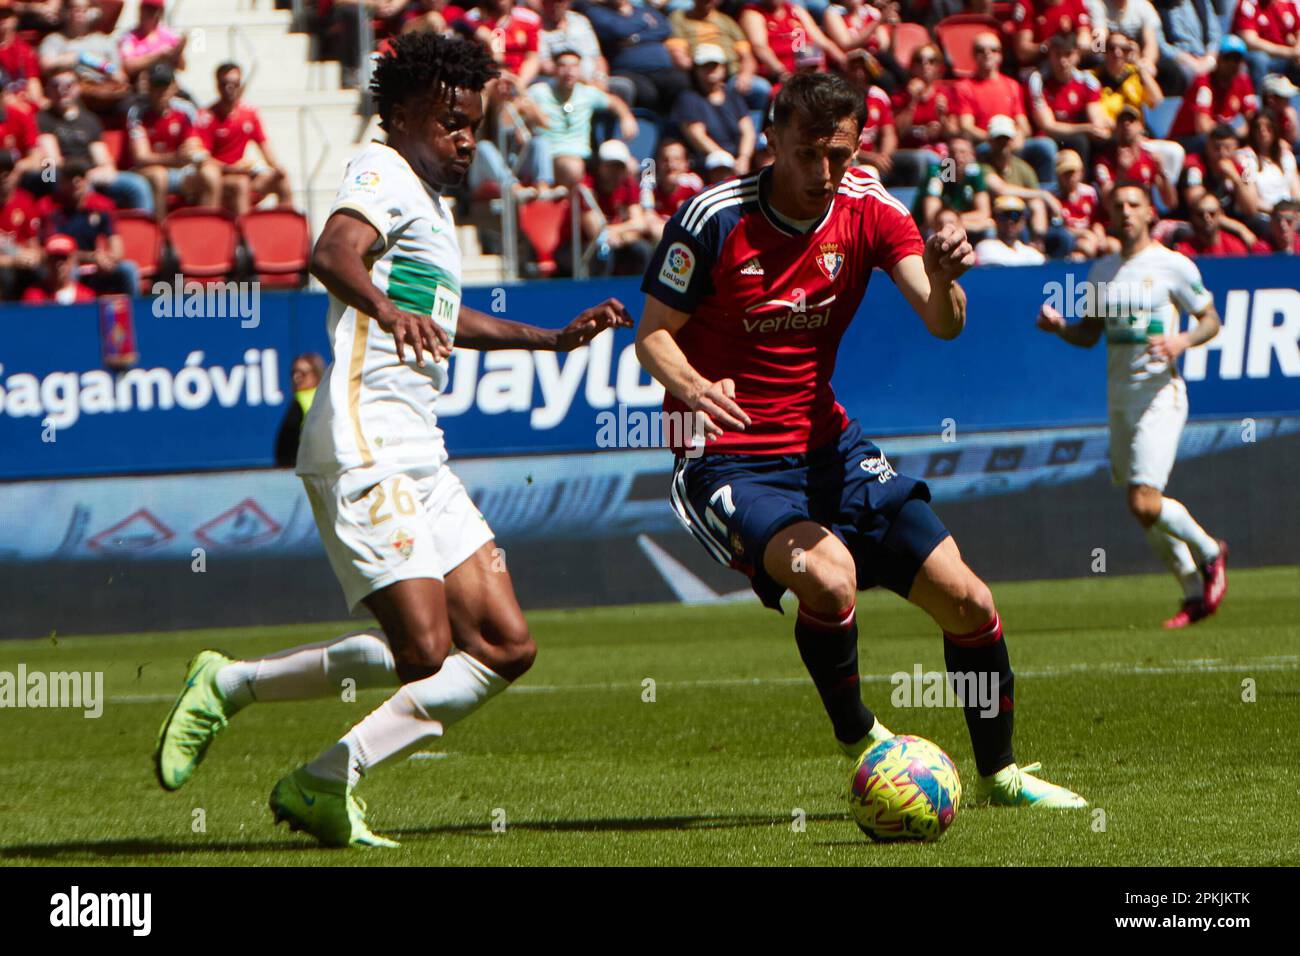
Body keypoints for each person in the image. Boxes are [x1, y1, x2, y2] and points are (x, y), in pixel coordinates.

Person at [153, 33, 632, 848]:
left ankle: (323, 781)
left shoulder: (432, 208)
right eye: (452, 122)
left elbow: (446, 319)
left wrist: (547, 340)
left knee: (505, 647)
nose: (466, 140)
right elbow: (332, 254)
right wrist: (382, 309)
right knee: (425, 650)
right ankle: (231, 683)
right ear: (406, 114)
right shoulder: (381, 171)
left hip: (420, 448)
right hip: (362, 437)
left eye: (475, 126)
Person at [636, 71, 1088, 809]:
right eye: (809, 154)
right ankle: (859, 737)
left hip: (830, 449)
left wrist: (945, 281)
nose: (823, 173)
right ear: (774, 139)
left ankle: (1001, 775)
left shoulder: (870, 208)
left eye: (839, 155)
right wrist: (693, 388)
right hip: (726, 457)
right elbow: (652, 336)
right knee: (831, 576)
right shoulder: (712, 219)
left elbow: (944, 323)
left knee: (969, 600)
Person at [1037, 181, 1227, 628]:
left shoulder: (1172, 266)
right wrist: (1059, 327)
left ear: (1149, 215)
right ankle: (1193, 593)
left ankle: (1210, 552)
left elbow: (1211, 320)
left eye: (1134, 204)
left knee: (1145, 502)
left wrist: (1182, 339)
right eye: (1117, 205)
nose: (1125, 211)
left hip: (1160, 394)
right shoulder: (1102, 270)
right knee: (1140, 505)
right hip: (1119, 398)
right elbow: (1088, 335)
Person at [35, 68, 155, 213]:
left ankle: (142, 231)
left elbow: (103, 159)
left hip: (91, 174)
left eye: (68, 85)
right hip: (61, 175)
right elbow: (51, 159)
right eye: (56, 85)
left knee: (137, 184)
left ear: (78, 88)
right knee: (51, 177)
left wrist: (95, 173)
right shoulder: (43, 118)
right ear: (47, 89)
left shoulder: (90, 120)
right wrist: (77, 178)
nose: (62, 90)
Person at [526, 48, 636, 190]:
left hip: (584, 155)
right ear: (554, 69)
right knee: (573, 168)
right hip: (553, 155)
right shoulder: (539, 91)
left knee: (628, 166)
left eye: (574, 66)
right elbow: (519, 106)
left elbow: (614, 101)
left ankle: (617, 209)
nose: (569, 71)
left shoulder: (586, 93)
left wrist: (626, 117)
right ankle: (571, 207)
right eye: (563, 66)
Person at [954, 32, 1057, 182]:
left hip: (1012, 142)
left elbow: (1024, 126)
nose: (987, 54)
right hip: (986, 144)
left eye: (993, 50)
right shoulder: (964, 87)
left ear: (1000, 55)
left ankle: (1046, 192)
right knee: (983, 150)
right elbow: (966, 127)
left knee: (1046, 146)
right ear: (974, 55)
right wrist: (994, 141)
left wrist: (1018, 138)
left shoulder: (1012, 85)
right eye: (981, 50)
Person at [198, 62, 292, 216]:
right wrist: (230, 168)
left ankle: (287, 231)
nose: (230, 88)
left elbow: (264, 145)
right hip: (221, 176)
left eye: (235, 83)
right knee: (240, 184)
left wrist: (276, 167)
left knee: (281, 180)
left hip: (242, 172)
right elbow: (203, 158)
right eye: (225, 83)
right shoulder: (206, 116)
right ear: (218, 85)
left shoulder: (249, 113)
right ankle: (245, 235)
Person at [35, 157, 140, 295]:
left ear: (87, 180)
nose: (76, 182)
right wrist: (91, 257)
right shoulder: (49, 206)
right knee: (68, 271)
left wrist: (108, 259)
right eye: (70, 177)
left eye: (81, 177)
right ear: (61, 182)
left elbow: (116, 246)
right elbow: (49, 250)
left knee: (128, 270)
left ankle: (135, 313)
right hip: (61, 263)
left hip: (95, 265)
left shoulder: (102, 205)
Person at [127, 63, 217, 214]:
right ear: (149, 88)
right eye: (156, 86)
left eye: (165, 85)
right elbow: (141, 157)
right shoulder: (138, 112)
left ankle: (205, 229)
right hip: (149, 171)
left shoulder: (185, 110)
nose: (161, 91)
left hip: (180, 171)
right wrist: (175, 158)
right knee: (159, 175)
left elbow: (192, 144)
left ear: (174, 87)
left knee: (210, 174)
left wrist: (189, 153)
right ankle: (160, 231)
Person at [581, 0, 691, 112]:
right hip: (628, 71)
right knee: (647, 94)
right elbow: (621, 30)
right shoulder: (598, 12)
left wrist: (636, 38)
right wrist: (646, 23)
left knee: (680, 82)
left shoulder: (644, 9)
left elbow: (664, 29)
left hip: (661, 68)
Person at [1027, 32, 1111, 167]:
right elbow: (1048, 126)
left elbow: (1096, 117)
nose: (1063, 61)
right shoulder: (1039, 80)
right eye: (1057, 55)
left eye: (1068, 54)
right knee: (1080, 141)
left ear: (1077, 55)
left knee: (1106, 140)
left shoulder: (1088, 81)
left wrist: (1098, 129)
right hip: (1052, 137)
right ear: (1050, 56)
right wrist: (1086, 128)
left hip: (1079, 133)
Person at [668, 0, 769, 111]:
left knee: (761, 88)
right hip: (699, 71)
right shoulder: (680, 17)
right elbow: (678, 54)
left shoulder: (726, 21)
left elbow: (747, 56)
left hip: (731, 74)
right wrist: (699, 74)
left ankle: (752, 127)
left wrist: (745, 75)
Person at [672, 43, 755, 175]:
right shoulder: (688, 99)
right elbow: (697, 136)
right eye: (705, 66)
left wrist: (744, 158)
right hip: (710, 165)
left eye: (715, 65)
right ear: (696, 70)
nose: (711, 70)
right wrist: (727, 161)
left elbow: (748, 131)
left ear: (724, 67)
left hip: (741, 161)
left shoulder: (733, 96)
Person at [1168, 34, 1258, 154]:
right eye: (1228, 58)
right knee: (1216, 144)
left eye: (1237, 59)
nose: (1232, 64)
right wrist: (1232, 133)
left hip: (1222, 137)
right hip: (1188, 139)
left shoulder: (1243, 81)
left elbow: (1253, 119)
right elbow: (1203, 127)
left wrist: (1235, 134)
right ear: (1219, 58)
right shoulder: (1204, 82)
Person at [890, 43, 957, 185]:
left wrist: (942, 119)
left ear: (938, 67)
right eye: (919, 61)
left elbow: (953, 134)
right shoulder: (901, 96)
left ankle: (948, 194)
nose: (925, 65)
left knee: (949, 158)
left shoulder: (945, 95)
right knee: (924, 158)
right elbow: (897, 132)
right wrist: (912, 102)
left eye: (931, 61)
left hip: (937, 149)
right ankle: (921, 198)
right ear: (912, 66)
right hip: (908, 151)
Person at [918, 134, 994, 237]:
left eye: (963, 152)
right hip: (933, 230)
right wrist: (961, 223)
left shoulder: (975, 173)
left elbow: (984, 213)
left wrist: (955, 221)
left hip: (955, 225)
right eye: (953, 152)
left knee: (989, 229)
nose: (958, 157)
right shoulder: (937, 174)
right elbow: (932, 218)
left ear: (972, 155)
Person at [1232, 0, 1300, 91]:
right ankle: (1258, 100)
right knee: (1259, 59)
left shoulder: (1286, 4)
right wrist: (1289, 52)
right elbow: (1250, 41)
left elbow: (1297, 30)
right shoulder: (1248, 4)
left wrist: (1297, 49)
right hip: (1262, 57)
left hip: (1285, 59)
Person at [1054, 148, 1109, 257]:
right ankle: (1070, 275)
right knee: (1081, 254)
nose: (1070, 177)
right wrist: (1084, 233)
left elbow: (1096, 221)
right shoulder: (1054, 198)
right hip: (1072, 240)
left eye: (1073, 172)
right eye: (1066, 173)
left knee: (1114, 246)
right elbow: (1059, 230)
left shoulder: (1090, 193)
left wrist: (1100, 236)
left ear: (1081, 172)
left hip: (1092, 236)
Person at [275, 352, 326, 467]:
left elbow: (287, 447)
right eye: (294, 372)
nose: (296, 377)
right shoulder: (328, 396)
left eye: (302, 373)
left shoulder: (300, 401)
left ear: (316, 374)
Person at [118, 0, 187, 84]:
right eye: (146, 9)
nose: (149, 14)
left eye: (153, 10)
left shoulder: (169, 35)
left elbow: (182, 67)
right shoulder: (129, 37)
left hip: (165, 83)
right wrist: (158, 56)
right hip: (139, 86)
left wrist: (178, 51)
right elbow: (128, 65)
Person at [21, 232, 96, 303]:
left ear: (73, 260)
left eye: (64, 258)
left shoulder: (86, 297)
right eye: (55, 259)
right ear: (47, 262)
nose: (59, 263)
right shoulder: (34, 296)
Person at [975, 194, 1049, 264]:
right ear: (996, 219)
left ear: (1023, 221)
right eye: (1005, 216)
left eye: (1016, 216)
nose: (1010, 221)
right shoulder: (986, 247)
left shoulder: (1031, 253)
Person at [1173, 192, 1252, 255]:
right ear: (1192, 217)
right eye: (1200, 214)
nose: (1207, 218)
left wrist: (1242, 229)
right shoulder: (1184, 251)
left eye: (1212, 213)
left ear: (1220, 215)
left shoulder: (1234, 247)